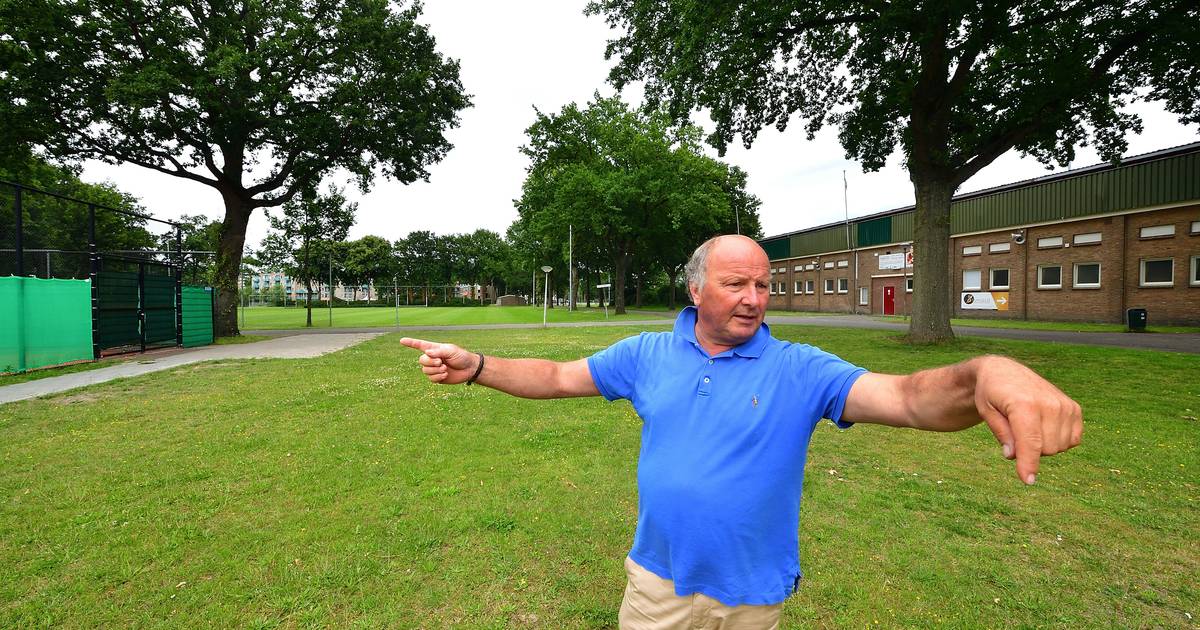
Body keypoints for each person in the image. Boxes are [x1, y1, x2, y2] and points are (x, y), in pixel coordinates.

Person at [400, 235, 1082, 630]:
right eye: (736, 283)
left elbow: (905, 397)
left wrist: (984, 373)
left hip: (752, 596)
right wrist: (480, 366)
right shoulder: (645, 354)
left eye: (763, 283)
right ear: (696, 290)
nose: (755, 297)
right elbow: (554, 376)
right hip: (657, 585)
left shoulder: (800, 368)